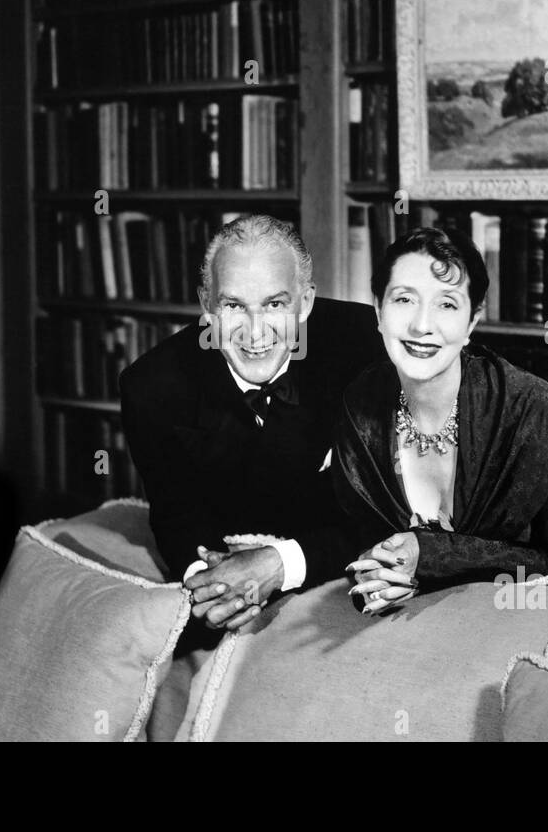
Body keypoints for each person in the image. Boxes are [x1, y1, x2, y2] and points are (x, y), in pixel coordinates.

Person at [120, 214, 384, 631]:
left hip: (329, 567)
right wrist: (209, 585)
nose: (256, 332)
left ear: (307, 302)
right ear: (207, 306)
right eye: (233, 306)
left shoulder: (368, 349)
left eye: (275, 304)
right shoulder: (151, 387)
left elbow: (388, 508)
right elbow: (174, 515)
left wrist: (279, 565)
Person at [338, 226, 548, 616]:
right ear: (378, 310)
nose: (422, 325)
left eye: (448, 305)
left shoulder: (529, 407)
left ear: (472, 322)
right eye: (404, 299)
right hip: (415, 627)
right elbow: (355, 536)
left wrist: (435, 557)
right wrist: (383, 575)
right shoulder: (360, 402)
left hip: (530, 619)